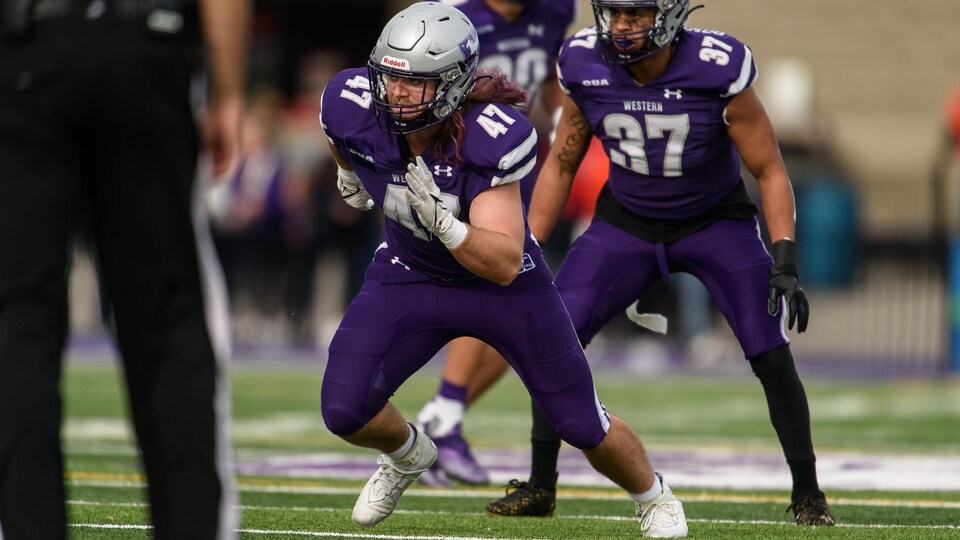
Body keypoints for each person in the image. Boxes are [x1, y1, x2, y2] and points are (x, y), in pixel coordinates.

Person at [318, 2, 687, 536]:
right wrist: (347, 172)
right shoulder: (352, 100)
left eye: (414, 83)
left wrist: (447, 225)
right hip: (410, 271)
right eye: (390, 78)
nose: (395, 93)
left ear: (451, 84)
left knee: (580, 421)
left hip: (503, 287)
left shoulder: (490, 135)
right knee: (344, 409)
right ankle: (408, 454)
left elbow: (504, 260)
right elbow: (336, 129)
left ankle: (652, 496)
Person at [484, 0, 836, 528]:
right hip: (627, 220)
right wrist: (527, 244)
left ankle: (808, 491)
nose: (622, 25)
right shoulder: (583, 61)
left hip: (714, 221)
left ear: (669, 16)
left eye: (637, 14)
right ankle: (541, 484)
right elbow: (561, 160)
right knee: (552, 335)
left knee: (769, 350)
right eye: (615, 13)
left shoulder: (716, 66)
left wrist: (784, 256)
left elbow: (768, 169)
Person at [0, 0, 250, 538]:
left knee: (17, 317)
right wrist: (228, 88)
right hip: (145, 43)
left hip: (28, 50)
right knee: (167, 318)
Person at [413, 0, 577, 488]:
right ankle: (443, 418)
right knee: (485, 288)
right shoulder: (458, 19)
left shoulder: (552, 12)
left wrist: (563, 132)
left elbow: (549, 80)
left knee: (522, 315)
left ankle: (444, 419)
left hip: (521, 162)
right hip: (469, 164)